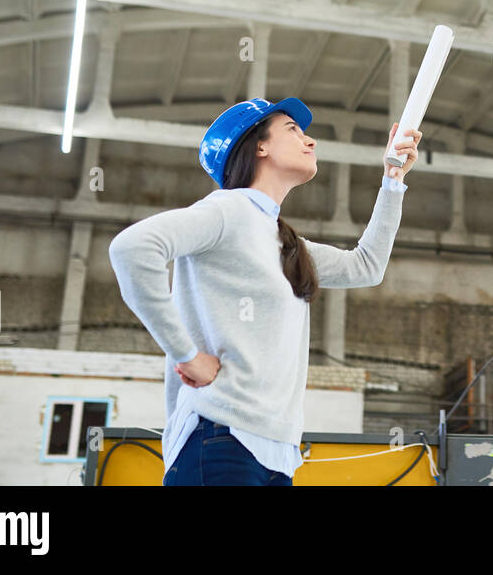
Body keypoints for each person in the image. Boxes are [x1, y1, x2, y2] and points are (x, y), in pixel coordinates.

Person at [108, 97, 421, 485]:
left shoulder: (284, 241)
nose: (311, 141)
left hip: (275, 452)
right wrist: (186, 354)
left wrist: (393, 181)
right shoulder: (228, 211)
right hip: (220, 439)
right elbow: (131, 248)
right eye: (293, 130)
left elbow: (366, 266)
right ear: (259, 146)